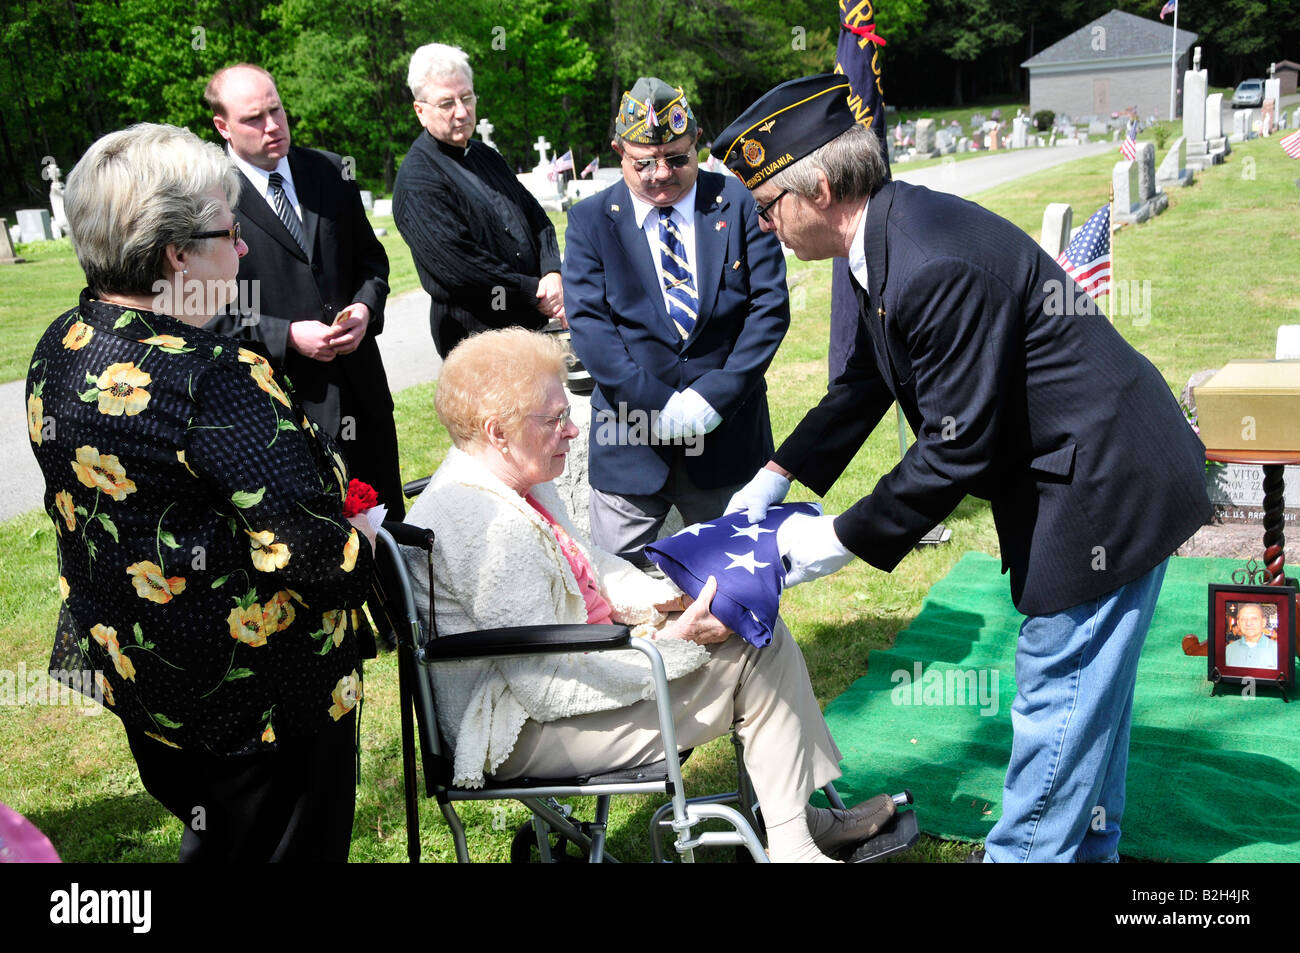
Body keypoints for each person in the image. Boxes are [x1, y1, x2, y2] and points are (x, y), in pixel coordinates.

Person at [714, 74, 1213, 863]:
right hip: (1075, 469)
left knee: (1062, 695)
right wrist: (778, 471)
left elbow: (955, 446)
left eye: (769, 205)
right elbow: (869, 380)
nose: (767, 225)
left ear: (819, 186)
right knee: (1089, 709)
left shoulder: (927, 261)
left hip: (1102, 488)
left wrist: (831, 540)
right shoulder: (887, 236)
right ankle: (1088, 849)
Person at [26, 123, 376, 861]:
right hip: (262, 709)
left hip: (147, 682)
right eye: (231, 228)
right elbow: (317, 559)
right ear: (177, 253)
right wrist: (365, 542)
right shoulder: (217, 375)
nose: (245, 246)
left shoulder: (65, 339)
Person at [403, 328, 883, 863]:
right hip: (517, 728)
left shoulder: (515, 478)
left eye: (568, 414)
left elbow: (590, 566)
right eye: (555, 419)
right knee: (754, 648)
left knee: (746, 629)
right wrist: (668, 645)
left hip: (567, 675)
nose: (570, 432)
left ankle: (798, 826)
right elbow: (547, 684)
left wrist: (665, 596)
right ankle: (797, 839)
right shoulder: (481, 522)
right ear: (497, 431)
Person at [563, 77, 789, 568]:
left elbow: (768, 309)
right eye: (643, 162)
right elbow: (591, 327)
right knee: (620, 593)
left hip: (727, 438)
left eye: (677, 158)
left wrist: (716, 397)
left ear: (698, 142)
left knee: (739, 579)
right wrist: (657, 402)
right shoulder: (590, 221)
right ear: (618, 151)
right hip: (631, 443)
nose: (661, 174)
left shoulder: (740, 202)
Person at [202, 64, 403, 513]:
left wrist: (364, 310)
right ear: (223, 127)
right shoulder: (208, 199)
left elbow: (372, 261)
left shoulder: (329, 171)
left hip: (363, 396)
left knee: (388, 534)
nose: (273, 126)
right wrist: (287, 336)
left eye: (277, 110)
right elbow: (204, 311)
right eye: (254, 118)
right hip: (282, 410)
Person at [393, 43, 564, 358]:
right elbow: (460, 269)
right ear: (420, 110)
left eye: (467, 97)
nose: (461, 111)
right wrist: (532, 290)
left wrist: (552, 270)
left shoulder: (486, 156)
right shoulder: (418, 180)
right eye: (447, 103)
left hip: (530, 330)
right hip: (477, 343)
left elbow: (535, 217)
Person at [1225, 603, 1277, 668]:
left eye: (1254, 619)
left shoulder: (1278, 650)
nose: (1248, 623)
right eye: (1243, 619)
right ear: (1238, 623)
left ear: (1263, 622)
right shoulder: (1229, 650)